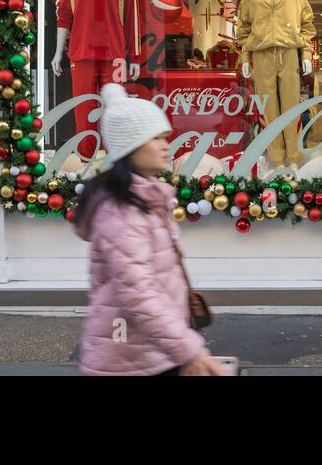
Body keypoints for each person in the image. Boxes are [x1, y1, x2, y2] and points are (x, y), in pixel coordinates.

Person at [74, 83, 229, 376]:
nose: (165, 145)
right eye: (155, 138)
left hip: (148, 352)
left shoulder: (146, 198)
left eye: (164, 136)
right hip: (128, 360)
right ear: (131, 148)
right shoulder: (122, 212)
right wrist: (189, 349)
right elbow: (139, 294)